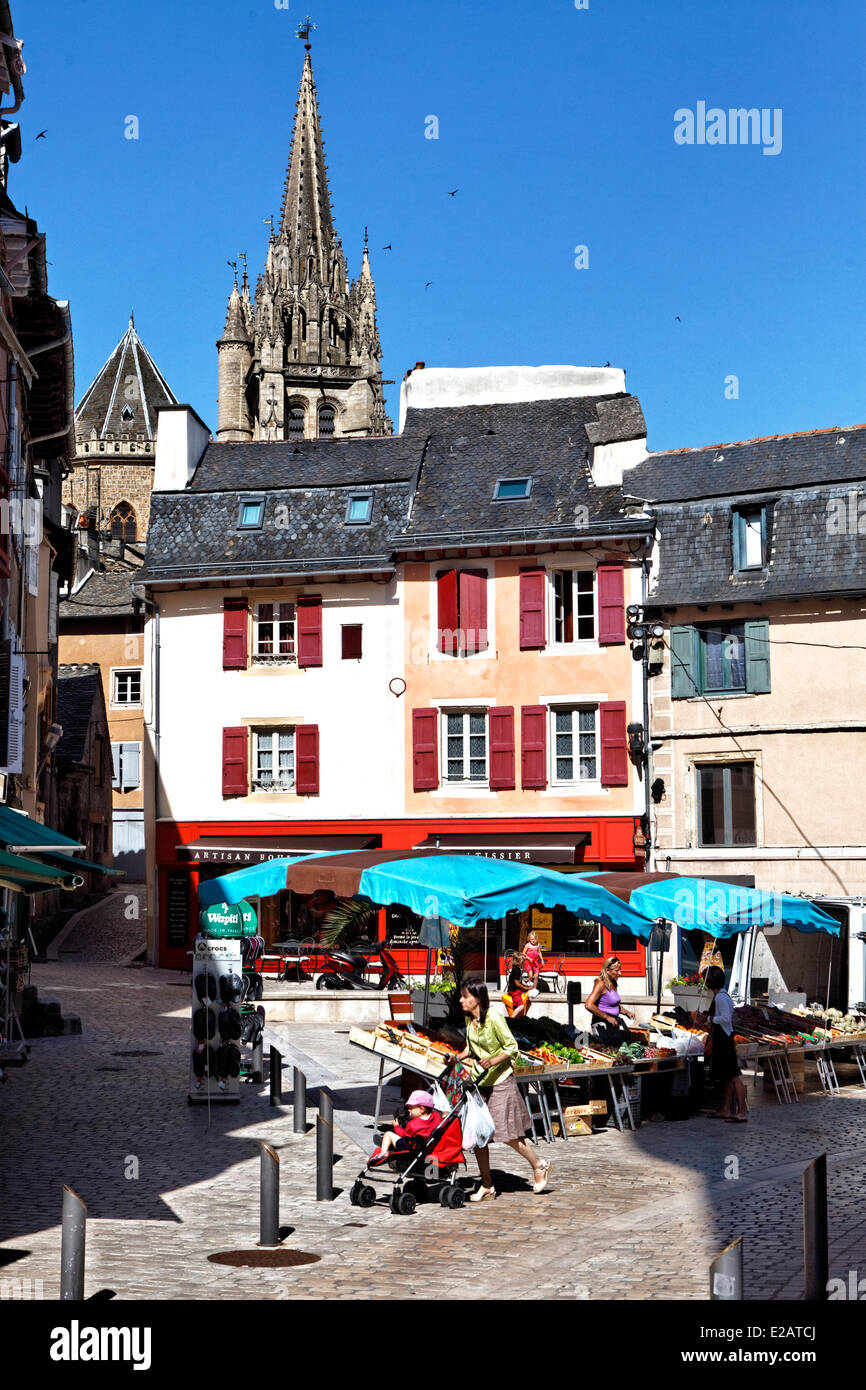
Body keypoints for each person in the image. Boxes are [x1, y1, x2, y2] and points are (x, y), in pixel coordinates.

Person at [456, 980, 550, 1201]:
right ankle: (487, 1185)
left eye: (465, 996)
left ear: (477, 998)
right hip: (481, 1082)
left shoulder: (494, 1017)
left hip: (501, 1080)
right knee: (479, 1134)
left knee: (505, 1133)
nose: (461, 1000)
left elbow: (512, 1048)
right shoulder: (470, 1020)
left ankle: (539, 1165)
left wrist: (493, 1060)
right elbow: (471, 1047)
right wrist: (456, 1058)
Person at [703, 965, 748, 1122]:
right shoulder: (721, 996)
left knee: (734, 1077)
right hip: (723, 1039)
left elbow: (726, 1018)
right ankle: (726, 1109)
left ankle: (741, 1111)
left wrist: (710, 1019)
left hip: (725, 1039)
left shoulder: (721, 998)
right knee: (727, 1078)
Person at [585, 955, 635, 1045]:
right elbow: (588, 1005)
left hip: (613, 1025)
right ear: (607, 971)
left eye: (620, 970)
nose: (620, 973)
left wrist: (627, 1012)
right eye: (617, 971)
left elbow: (615, 1004)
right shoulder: (600, 984)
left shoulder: (613, 984)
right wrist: (607, 1017)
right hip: (602, 1026)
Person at [375, 1090, 441, 1158]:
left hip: (410, 1149)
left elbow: (403, 1135)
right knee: (408, 1137)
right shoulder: (436, 1116)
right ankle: (388, 1141)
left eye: (411, 1108)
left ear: (422, 1109)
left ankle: (383, 1153)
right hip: (426, 1147)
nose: (408, 1110)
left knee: (388, 1134)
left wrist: (396, 1126)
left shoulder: (413, 1124)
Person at [502, 955, 532, 1020]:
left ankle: (523, 1016)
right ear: (519, 962)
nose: (524, 963)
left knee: (529, 1001)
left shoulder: (516, 969)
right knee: (521, 1006)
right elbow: (517, 983)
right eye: (523, 962)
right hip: (514, 991)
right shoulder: (516, 970)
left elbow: (520, 981)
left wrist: (527, 985)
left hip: (517, 990)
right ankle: (511, 1019)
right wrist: (525, 988)